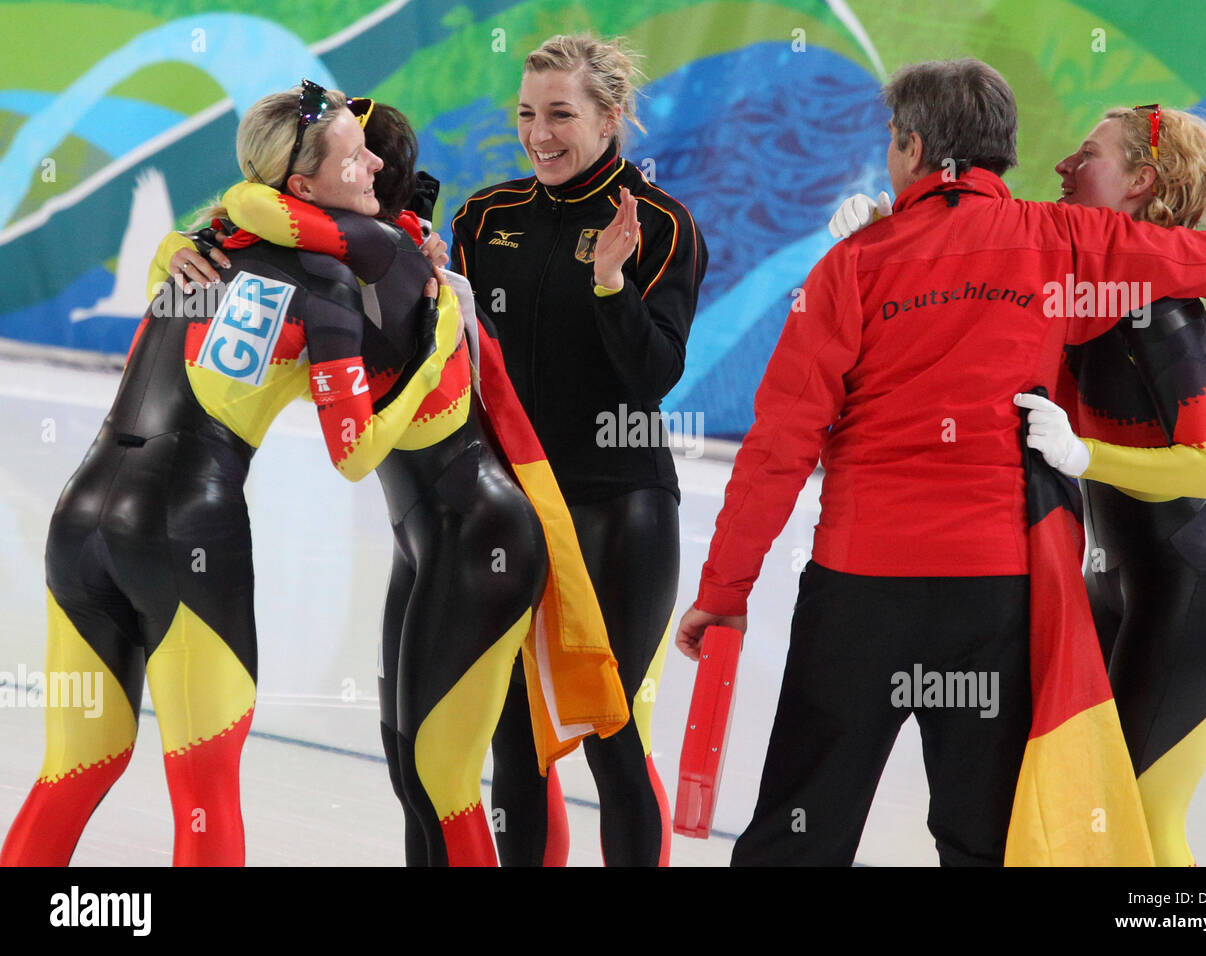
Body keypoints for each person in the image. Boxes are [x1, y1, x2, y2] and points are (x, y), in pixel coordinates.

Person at [675, 59, 1206, 866]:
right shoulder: (1063, 239)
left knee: (796, 836)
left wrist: (723, 594)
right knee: (983, 846)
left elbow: (778, 449)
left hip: (859, 591)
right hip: (996, 598)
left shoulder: (851, 266)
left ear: (912, 147)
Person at [0, 84, 461, 867]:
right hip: (185, 526)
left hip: (80, 516)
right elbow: (355, 453)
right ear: (304, 188)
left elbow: (182, 273)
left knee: (75, 767)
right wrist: (435, 353)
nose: (377, 163)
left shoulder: (208, 237)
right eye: (356, 156)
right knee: (205, 790)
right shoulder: (328, 282)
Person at [161, 102, 627, 866]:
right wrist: (180, 247)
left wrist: (204, 226)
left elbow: (252, 201)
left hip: (481, 535)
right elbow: (257, 215)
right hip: (433, 536)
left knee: (443, 779)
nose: (368, 169)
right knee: (414, 770)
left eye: (364, 157)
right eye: (356, 160)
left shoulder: (378, 251)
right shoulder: (364, 260)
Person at [449, 33, 707, 866]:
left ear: (612, 116)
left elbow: (654, 374)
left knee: (609, 731)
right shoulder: (485, 218)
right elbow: (452, 361)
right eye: (527, 113)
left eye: (561, 114)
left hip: (615, 506)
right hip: (513, 508)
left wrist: (610, 283)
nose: (540, 133)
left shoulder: (660, 225)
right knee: (515, 741)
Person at [1012, 105, 1206, 866]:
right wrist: (885, 233)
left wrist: (1084, 455)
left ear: (1140, 182)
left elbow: (1205, 466)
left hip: (1196, 589)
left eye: (1086, 154)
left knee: (1140, 826)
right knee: (1102, 817)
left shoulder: (1161, 308)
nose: (1062, 166)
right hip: (1122, 581)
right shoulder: (1087, 292)